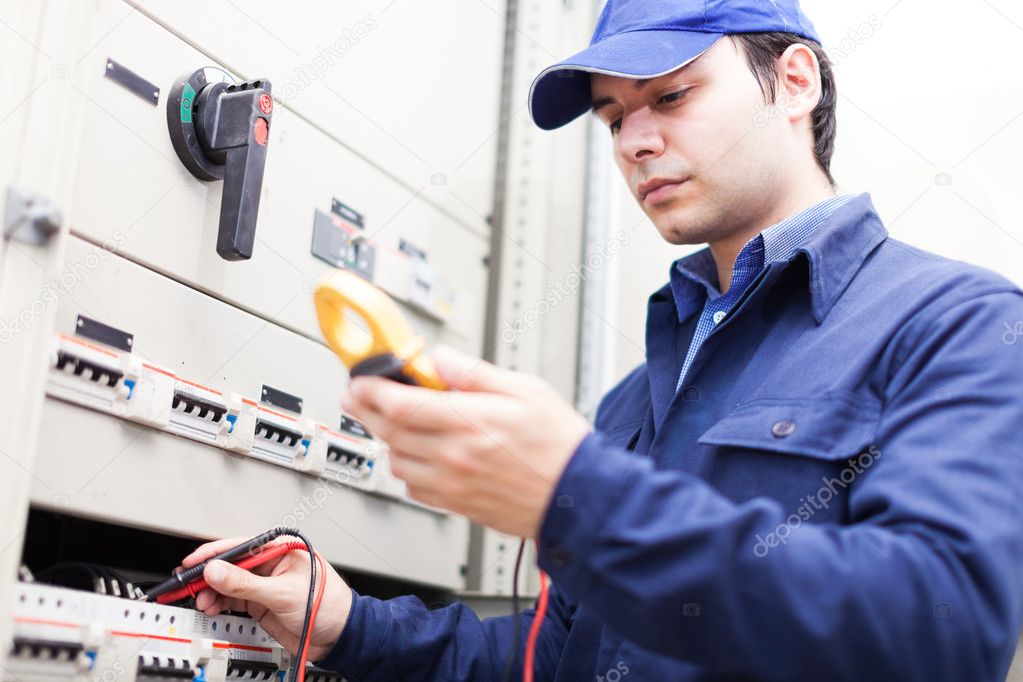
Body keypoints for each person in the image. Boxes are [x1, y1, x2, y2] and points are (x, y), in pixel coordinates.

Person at [180, 0, 1023, 679]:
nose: (633, 142)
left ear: (794, 81)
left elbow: (943, 631)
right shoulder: (639, 392)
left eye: (670, 96)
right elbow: (565, 659)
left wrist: (578, 494)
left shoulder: (957, 323)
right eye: (612, 116)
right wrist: (347, 624)